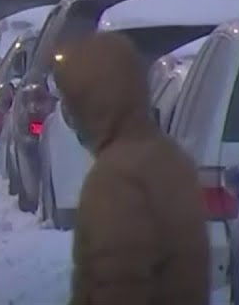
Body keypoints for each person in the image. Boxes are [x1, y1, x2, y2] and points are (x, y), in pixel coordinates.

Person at [54, 31, 210, 305]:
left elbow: (118, 286)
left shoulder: (116, 178)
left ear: (95, 102)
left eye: (75, 104)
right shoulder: (170, 158)